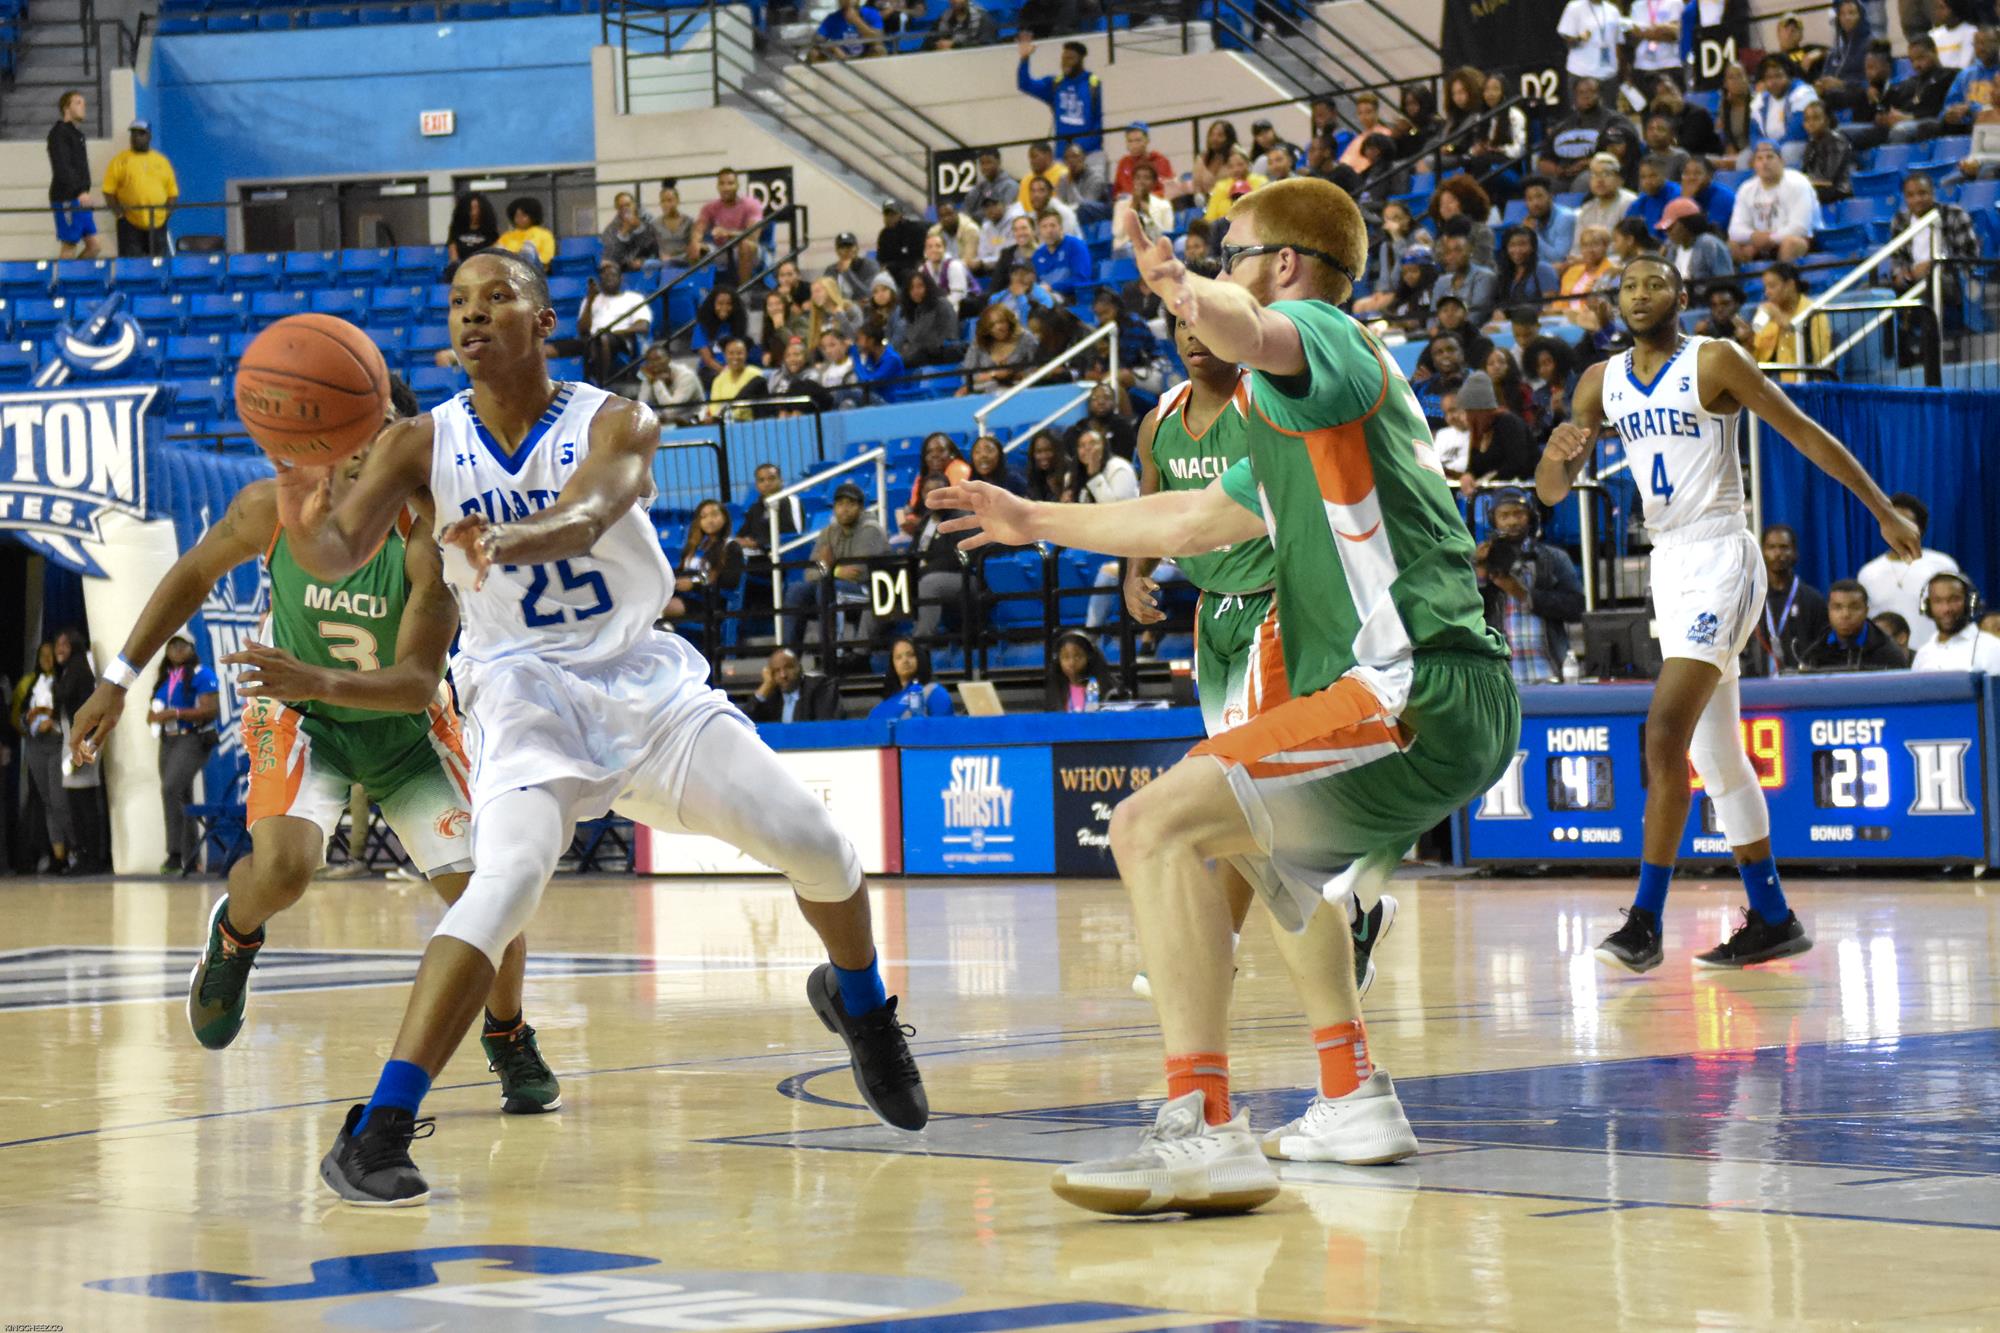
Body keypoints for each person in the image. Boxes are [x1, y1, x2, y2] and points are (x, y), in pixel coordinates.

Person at [274, 250, 924, 1205]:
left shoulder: (617, 416)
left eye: (499, 297)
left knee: (817, 841)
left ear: (546, 323)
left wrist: (505, 538)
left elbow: (587, 513)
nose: (474, 314)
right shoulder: (421, 442)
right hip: (521, 693)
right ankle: (376, 1128)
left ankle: (859, 1004)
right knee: (502, 886)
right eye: (459, 302)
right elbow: (334, 550)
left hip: (644, 682)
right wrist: (305, 493)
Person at [932, 180, 1520, 1214]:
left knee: (1150, 825)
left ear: (1283, 264)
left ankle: (1201, 1127)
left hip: (1412, 685)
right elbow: (1195, 521)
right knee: (1254, 844)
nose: (1215, 266)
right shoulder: (1292, 413)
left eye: (1231, 248)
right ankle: (1351, 1095)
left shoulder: (1324, 338)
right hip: (1432, 689)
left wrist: (1178, 286)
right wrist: (1034, 516)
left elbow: (1252, 325)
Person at [73, 384, 562, 1116]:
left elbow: (415, 682)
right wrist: (118, 679)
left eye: (386, 429)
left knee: (493, 901)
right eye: (356, 428)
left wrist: (318, 675)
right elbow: (192, 573)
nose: (370, 445)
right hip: (299, 713)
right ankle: (235, 937)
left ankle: (507, 1030)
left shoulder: (434, 536)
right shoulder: (269, 507)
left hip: (405, 728)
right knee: (283, 869)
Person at [1538, 252, 1921, 977]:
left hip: (1722, 554)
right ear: (1615, 301)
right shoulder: (1599, 382)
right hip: (1668, 564)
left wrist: (1880, 506)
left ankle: (1646, 919)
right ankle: (1772, 916)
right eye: (1629, 285)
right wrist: (1556, 460)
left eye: (1656, 283)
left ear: (1680, 295)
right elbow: (1554, 491)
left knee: (1664, 731)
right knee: (1715, 754)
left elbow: (1803, 431)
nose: (1641, 294)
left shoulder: (1714, 360)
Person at [1476, 488, 1585, 682]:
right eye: (1504, 516)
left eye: (1518, 514)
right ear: (1494, 520)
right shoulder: (1482, 559)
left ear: (1531, 517)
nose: (1512, 522)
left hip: (1549, 671)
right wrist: (1481, 577)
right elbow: (1469, 615)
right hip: (1500, 678)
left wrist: (1525, 595)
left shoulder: (1554, 558)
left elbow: (1577, 607)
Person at [785, 481, 891, 657]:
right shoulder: (828, 532)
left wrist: (829, 567)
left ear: (861, 508)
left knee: (828, 589)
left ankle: (834, 653)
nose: (845, 509)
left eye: (851, 504)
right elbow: (809, 573)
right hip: (839, 586)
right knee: (796, 591)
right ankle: (790, 656)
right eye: (840, 504)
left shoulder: (871, 530)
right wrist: (836, 571)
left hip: (872, 591)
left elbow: (858, 573)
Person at [148, 634, 220, 874]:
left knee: (170, 788)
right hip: (168, 740)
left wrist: (175, 714)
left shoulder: (202, 674)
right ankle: (191, 858)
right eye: (172, 646)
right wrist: (155, 718)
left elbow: (209, 710)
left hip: (192, 738)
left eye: (182, 645)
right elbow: (155, 710)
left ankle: (174, 853)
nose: (177, 650)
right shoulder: (165, 678)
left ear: (192, 647)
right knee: (181, 795)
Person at [1855, 491, 1960, 651]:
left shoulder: (1942, 565)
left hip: (1935, 657)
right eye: (1892, 521)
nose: (1898, 528)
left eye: (1905, 522)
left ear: (1919, 528)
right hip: (1886, 661)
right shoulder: (1868, 573)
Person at [18, 641, 75, 874]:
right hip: (34, 745)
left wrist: (47, 718)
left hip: (57, 743)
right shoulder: (30, 683)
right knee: (48, 802)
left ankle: (77, 849)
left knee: (60, 801)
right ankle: (59, 856)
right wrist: (28, 720)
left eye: (50, 655)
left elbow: (67, 710)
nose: (46, 659)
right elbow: (19, 715)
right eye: (42, 655)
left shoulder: (63, 681)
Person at [1749, 523, 1828, 674]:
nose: (1778, 553)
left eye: (1784, 547)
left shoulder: (1813, 599)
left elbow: (1822, 648)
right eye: (1771, 547)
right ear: (1762, 552)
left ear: (1795, 553)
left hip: (1802, 684)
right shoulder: (1750, 598)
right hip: (1757, 685)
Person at [1016, 34, 1104, 159]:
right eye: (1063, 58)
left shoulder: (1093, 84)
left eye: (1070, 58)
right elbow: (1024, 84)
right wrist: (1024, 58)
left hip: (1088, 154)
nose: (1064, 62)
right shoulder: (1055, 84)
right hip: (1062, 156)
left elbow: (1098, 123)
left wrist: (1080, 148)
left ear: (1081, 60)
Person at [1729, 142, 1816, 264]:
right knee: (1731, 245)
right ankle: (1743, 282)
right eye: (1759, 159)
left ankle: (1784, 280)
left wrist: (1770, 239)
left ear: (1781, 161)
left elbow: (1800, 228)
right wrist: (1753, 237)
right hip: (1759, 243)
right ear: (1754, 164)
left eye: (1770, 157)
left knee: (1791, 243)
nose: (1765, 162)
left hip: (1794, 241)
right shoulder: (1746, 188)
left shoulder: (1798, 183)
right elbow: (1735, 229)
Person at [102, 120, 177, 259]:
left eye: (141, 133)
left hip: (158, 223)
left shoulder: (162, 161)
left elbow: (172, 192)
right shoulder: (120, 161)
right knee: (132, 268)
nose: (136, 137)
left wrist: (167, 212)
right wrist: (120, 215)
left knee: (158, 265)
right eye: (133, 134)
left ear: (149, 136)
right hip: (130, 224)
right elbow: (108, 191)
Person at [1800, 580, 1910, 670]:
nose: (1845, 614)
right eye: (1837, 607)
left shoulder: (1888, 653)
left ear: (1866, 611)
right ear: (1828, 611)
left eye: (1854, 607)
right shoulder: (1815, 653)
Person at [672, 498, 745, 632]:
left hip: (709, 602)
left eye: (714, 515)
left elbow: (730, 581)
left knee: (660, 608)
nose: (709, 520)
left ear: (725, 518)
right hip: (686, 597)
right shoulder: (692, 547)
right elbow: (681, 572)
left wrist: (694, 584)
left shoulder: (731, 547)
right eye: (703, 517)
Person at [575, 261, 652, 387]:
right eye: (604, 276)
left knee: (602, 339)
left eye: (612, 275)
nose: (608, 278)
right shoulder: (591, 299)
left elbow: (643, 326)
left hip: (621, 339)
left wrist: (611, 332)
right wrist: (590, 300)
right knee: (549, 349)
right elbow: (582, 329)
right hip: (590, 338)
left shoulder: (634, 298)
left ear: (621, 278)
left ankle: (601, 384)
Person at [1750, 262, 1830, 378]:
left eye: (1772, 286)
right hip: (1767, 380)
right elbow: (1757, 358)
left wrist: (1781, 320)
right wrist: (1747, 341)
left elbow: (1815, 357)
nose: (1767, 292)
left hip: (1802, 380)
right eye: (1765, 287)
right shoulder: (1768, 312)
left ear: (1790, 285)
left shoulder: (1814, 313)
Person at [47, 90, 99, 260]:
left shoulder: (78, 135)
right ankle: (65, 283)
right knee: (69, 244)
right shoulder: (59, 133)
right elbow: (63, 167)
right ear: (66, 108)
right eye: (77, 102)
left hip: (80, 198)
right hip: (67, 197)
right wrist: (79, 191)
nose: (83, 106)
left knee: (94, 246)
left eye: (83, 103)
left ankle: (77, 279)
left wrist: (85, 191)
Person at [1911, 574, 2000, 670]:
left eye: (1954, 599)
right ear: (1928, 606)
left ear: (1969, 603)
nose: (1946, 609)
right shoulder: (1922, 654)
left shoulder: (1992, 648)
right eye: (1937, 601)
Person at [695, 167, 766, 285]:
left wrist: (728, 233)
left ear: (737, 185)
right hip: (721, 251)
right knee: (696, 248)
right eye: (722, 184)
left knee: (746, 245)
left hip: (752, 251)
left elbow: (753, 236)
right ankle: (700, 295)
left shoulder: (752, 204)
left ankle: (744, 295)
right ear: (717, 186)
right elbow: (698, 228)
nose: (726, 187)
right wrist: (695, 241)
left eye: (730, 183)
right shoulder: (710, 207)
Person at [1749, 55, 1823, 166]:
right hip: (1769, 148)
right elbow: (1754, 133)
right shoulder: (1761, 100)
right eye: (1768, 78)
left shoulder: (1802, 93)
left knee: (1788, 151)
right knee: (1744, 158)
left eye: (1778, 76)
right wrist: (1760, 148)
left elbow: (1798, 131)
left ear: (1789, 76)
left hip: (1799, 144)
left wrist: (1771, 149)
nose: (1773, 82)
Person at [960, 299, 1039, 395]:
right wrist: (993, 375)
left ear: (1010, 322)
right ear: (986, 328)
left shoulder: (1026, 339)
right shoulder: (978, 344)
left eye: (1001, 322)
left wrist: (1014, 375)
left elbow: (1037, 369)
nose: (998, 328)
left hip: (1019, 390)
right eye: (992, 325)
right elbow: (966, 377)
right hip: (985, 392)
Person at [748, 648, 845, 721]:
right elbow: (743, 726)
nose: (783, 675)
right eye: (777, 671)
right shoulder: (771, 694)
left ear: (800, 668)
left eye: (788, 667)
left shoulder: (819, 687)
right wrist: (766, 685)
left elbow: (824, 727)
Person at [869, 638, 954, 719]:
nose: (905, 660)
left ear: (920, 658)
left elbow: (944, 729)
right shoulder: (880, 707)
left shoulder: (933, 691)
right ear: (892, 664)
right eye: (898, 657)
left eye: (910, 655)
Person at [1429, 232, 1499, 329]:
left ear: (1470, 251)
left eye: (1457, 250)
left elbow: (1475, 317)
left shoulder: (1484, 277)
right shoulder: (1442, 282)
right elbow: (1432, 318)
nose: (1452, 256)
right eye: (1447, 252)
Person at [1044, 629, 1122, 711]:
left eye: (1078, 656)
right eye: (1066, 657)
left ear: (1089, 657)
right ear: (1058, 661)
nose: (1072, 662)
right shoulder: (1056, 690)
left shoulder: (1108, 689)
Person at [1658, 200, 1734, 283]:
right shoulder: (1671, 247)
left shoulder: (1710, 245)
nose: (1667, 233)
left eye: (1671, 227)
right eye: (1665, 229)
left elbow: (1725, 283)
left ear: (1687, 224)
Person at [1575, 153, 1639, 242]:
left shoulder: (1630, 202)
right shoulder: (1587, 208)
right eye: (1594, 174)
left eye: (1606, 174)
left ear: (1619, 180)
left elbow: (1628, 243)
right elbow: (1577, 246)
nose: (1599, 180)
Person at [599, 192, 660, 272]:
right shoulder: (610, 230)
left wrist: (639, 228)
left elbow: (656, 248)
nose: (625, 209)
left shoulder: (647, 222)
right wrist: (623, 233)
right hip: (623, 271)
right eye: (621, 207)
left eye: (628, 205)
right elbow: (611, 257)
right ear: (617, 209)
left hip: (649, 266)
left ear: (634, 205)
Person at [1114, 123, 1175, 199]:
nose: (1134, 145)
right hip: (1125, 205)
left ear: (1147, 141)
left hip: (1153, 205)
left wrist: (1142, 197)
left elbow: (1167, 191)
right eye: (1130, 141)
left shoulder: (1161, 161)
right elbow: (1117, 191)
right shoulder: (1123, 162)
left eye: (1138, 140)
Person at [447, 194, 501, 273]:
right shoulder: (456, 230)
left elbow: (492, 252)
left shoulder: (490, 231)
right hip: (461, 269)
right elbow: (453, 254)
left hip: (482, 269)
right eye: (471, 209)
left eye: (476, 208)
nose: (474, 213)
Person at [495, 197, 556, 269]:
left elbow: (546, 259)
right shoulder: (506, 236)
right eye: (517, 216)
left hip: (535, 272)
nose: (520, 219)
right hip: (510, 270)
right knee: (499, 248)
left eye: (524, 216)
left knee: (528, 248)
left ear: (533, 216)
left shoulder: (545, 235)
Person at [1025, 429, 1079, 502]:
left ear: (1057, 451)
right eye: (1039, 451)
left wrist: (1058, 492)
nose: (1043, 456)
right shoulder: (1034, 473)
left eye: (1048, 450)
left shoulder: (1070, 472)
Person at [652, 180, 698, 264]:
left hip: (685, 260)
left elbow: (693, 244)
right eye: (663, 201)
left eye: (669, 200)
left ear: (677, 201)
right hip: (663, 261)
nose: (666, 204)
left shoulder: (688, 221)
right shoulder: (655, 224)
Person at [926, 0, 996, 49]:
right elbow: (928, 43)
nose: (955, 0)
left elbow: (987, 45)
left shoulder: (982, 17)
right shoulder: (944, 17)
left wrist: (954, 45)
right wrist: (938, 45)